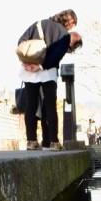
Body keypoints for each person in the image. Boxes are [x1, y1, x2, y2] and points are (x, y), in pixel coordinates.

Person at [17, 9, 82, 150]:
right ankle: (53, 141)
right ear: (70, 22)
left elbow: (21, 42)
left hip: (28, 69)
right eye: (73, 24)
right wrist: (40, 66)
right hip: (47, 72)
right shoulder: (64, 35)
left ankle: (31, 141)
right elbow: (56, 56)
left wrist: (26, 61)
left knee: (31, 105)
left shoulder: (38, 24)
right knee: (50, 106)